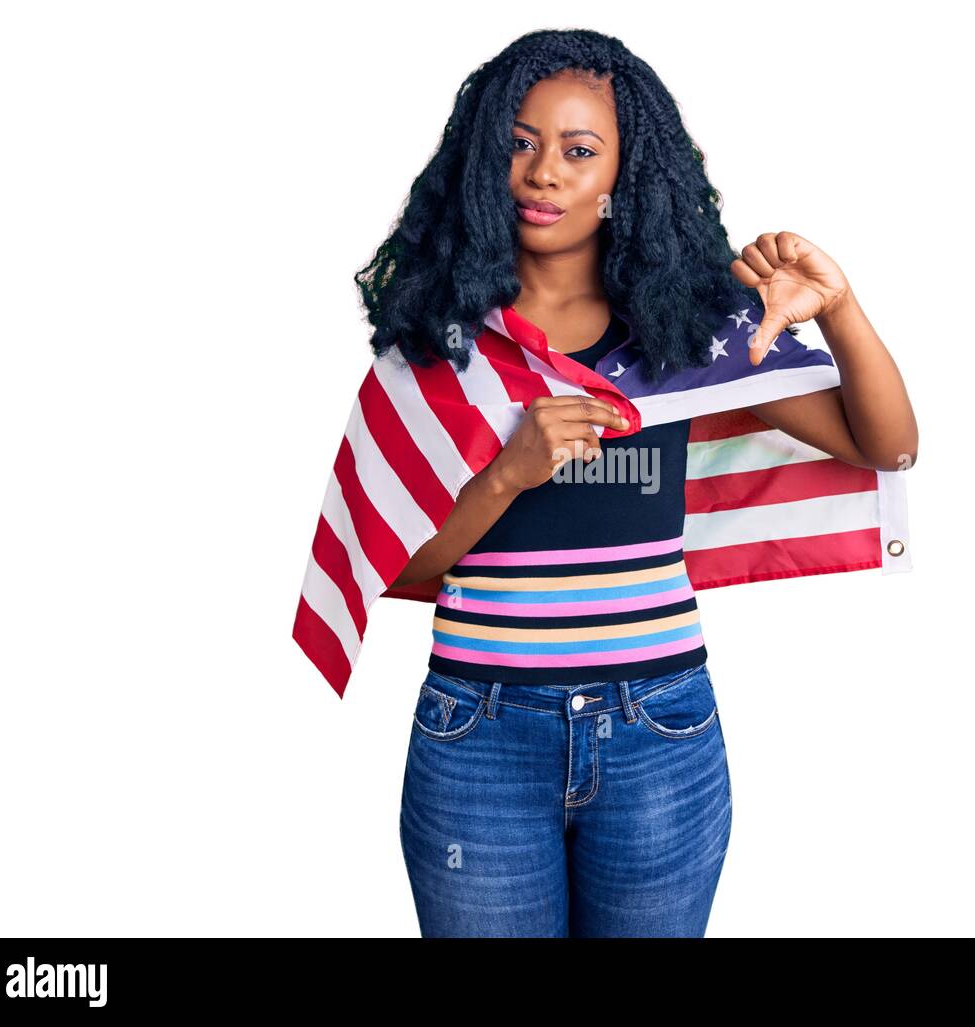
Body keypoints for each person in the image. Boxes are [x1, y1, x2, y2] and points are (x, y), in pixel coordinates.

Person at [353, 28, 918, 937]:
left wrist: (841, 309)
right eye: (521, 142)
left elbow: (887, 448)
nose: (544, 172)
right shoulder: (438, 338)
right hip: (477, 736)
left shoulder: (689, 330)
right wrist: (507, 475)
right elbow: (394, 560)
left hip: (660, 731)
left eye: (580, 151)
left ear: (622, 177)